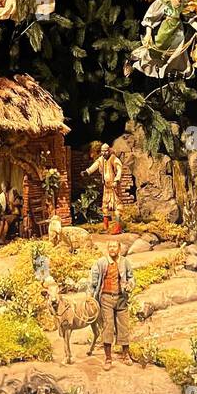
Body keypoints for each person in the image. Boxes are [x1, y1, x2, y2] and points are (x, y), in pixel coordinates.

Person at [89, 239, 134, 370]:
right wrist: (90, 296)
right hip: (106, 298)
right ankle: (108, 358)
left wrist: (130, 285)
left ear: (119, 248)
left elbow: (131, 277)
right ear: (108, 249)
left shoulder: (124, 262)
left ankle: (126, 355)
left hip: (121, 298)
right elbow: (93, 281)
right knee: (107, 328)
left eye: (115, 246)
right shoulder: (101, 263)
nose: (112, 249)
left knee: (124, 326)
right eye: (110, 247)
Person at [84, 143, 123, 233]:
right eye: (102, 151)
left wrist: (116, 180)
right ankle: (106, 227)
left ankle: (118, 227)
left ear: (109, 151)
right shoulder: (101, 159)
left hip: (114, 186)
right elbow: (95, 165)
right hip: (106, 187)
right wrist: (87, 172)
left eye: (105, 151)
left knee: (117, 206)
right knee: (105, 206)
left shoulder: (114, 159)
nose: (104, 153)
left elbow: (119, 169)